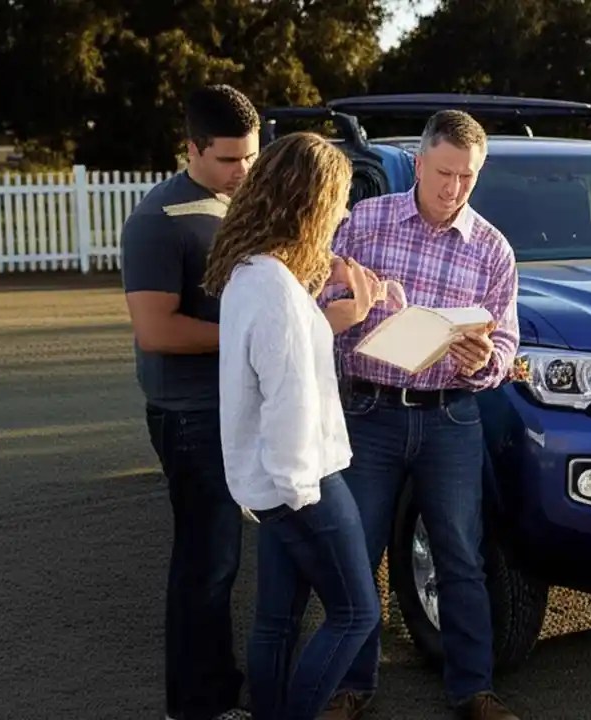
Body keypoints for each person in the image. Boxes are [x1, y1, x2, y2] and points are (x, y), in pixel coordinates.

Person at [324, 110, 522, 720]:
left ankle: (474, 690)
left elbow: (507, 346)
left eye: (467, 177)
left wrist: (485, 359)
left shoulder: (492, 249)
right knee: (356, 551)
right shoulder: (363, 223)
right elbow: (319, 300)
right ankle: (350, 687)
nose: (453, 188)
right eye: (444, 172)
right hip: (370, 409)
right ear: (418, 163)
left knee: (461, 553)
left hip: (451, 416)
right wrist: (353, 308)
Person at [201, 131, 398, 720]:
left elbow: (281, 352)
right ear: (308, 202)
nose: (343, 211)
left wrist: (338, 304)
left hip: (274, 481)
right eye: (338, 199)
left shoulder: (255, 273)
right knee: (357, 613)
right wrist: (299, 494)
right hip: (301, 481)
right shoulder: (276, 294)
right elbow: (286, 400)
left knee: (277, 620)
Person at [120, 83, 260, 720]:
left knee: (224, 560)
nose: (243, 171)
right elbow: (157, 330)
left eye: (251, 157)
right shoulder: (156, 220)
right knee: (207, 563)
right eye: (229, 160)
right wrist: (253, 334)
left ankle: (220, 690)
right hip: (189, 417)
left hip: (236, 407)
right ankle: (200, 707)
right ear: (192, 149)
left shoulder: (234, 203)